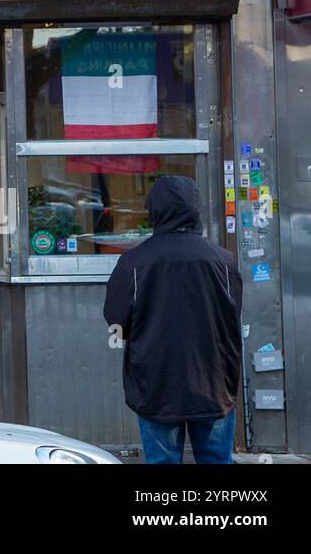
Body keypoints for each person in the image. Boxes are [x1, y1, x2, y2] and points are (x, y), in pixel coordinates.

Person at [103, 174, 243, 464]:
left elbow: (116, 319)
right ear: (195, 210)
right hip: (214, 383)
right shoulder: (224, 260)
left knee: (162, 461)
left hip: (156, 382)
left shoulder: (133, 262)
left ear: (154, 210)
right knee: (217, 459)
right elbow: (233, 316)